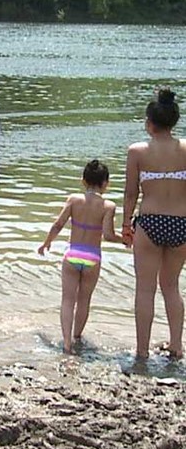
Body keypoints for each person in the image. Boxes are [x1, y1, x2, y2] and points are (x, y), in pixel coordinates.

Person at [122, 88, 186, 360]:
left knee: (145, 289)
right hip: (181, 223)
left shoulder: (137, 151)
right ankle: (176, 346)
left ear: (149, 122)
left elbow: (130, 193)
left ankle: (141, 352)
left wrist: (126, 224)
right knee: (171, 286)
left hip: (149, 221)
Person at [36, 160, 123, 354]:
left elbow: (58, 224)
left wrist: (46, 242)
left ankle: (66, 343)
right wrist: (125, 240)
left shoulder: (74, 200)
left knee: (67, 300)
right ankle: (77, 337)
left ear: (83, 181)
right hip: (92, 258)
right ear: (106, 183)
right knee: (84, 300)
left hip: (72, 254)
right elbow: (108, 235)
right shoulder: (108, 206)